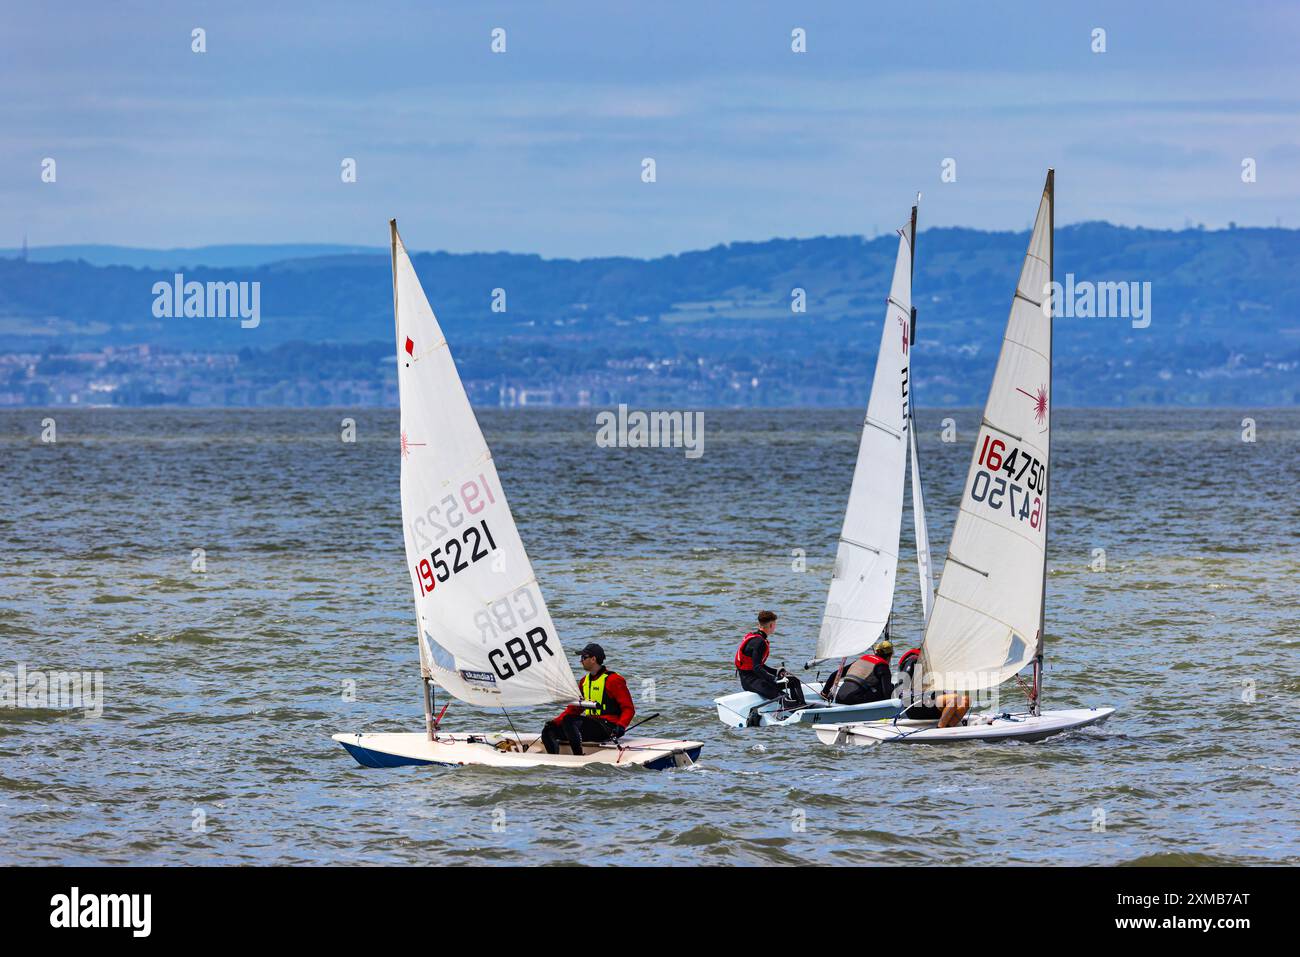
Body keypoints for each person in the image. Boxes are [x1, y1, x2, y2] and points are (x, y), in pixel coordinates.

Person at [540, 643, 634, 756]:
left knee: (569, 721)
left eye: (584, 657)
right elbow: (574, 709)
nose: (581, 661)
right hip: (591, 725)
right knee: (548, 730)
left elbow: (628, 708)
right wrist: (555, 721)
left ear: (593, 659)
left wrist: (621, 726)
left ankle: (578, 757)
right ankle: (554, 760)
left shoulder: (613, 680)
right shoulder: (584, 681)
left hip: (607, 728)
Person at [734, 610, 806, 721]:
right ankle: (798, 710)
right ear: (771, 625)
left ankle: (801, 705)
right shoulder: (760, 643)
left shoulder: (756, 637)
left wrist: (776, 671)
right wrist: (774, 679)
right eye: (775, 624)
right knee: (783, 697)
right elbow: (757, 668)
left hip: (756, 677)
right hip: (751, 681)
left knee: (793, 681)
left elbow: (759, 665)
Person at [895, 646, 970, 727]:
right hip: (916, 707)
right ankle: (940, 729)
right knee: (954, 698)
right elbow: (901, 689)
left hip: (936, 706)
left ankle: (949, 727)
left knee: (966, 700)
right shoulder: (914, 660)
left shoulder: (940, 665)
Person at [828, 639, 895, 705]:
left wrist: (824, 693)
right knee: (887, 688)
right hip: (853, 700)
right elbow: (887, 694)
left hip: (839, 698)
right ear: (890, 655)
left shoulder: (862, 659)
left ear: (876, 652)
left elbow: (834, 675)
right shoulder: (883, 666)